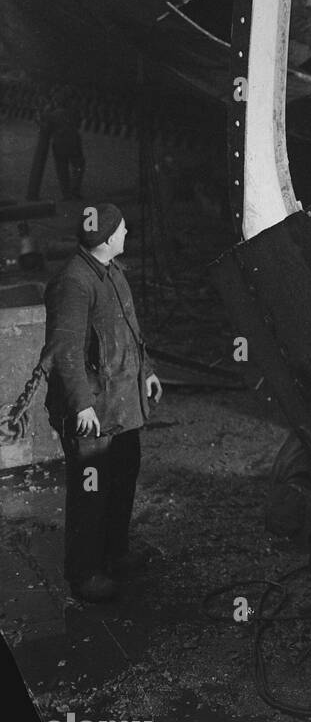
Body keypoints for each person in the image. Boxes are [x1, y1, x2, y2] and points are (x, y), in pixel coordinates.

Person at [42, 204, 162, 602]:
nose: (127, 234)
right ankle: (84, 572)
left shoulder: (112, 272)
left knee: (122, 478)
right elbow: (66, 352)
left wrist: (147, 372)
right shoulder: (73, 284)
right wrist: (81, 405)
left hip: (121, 405)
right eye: (124, 229)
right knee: (91, 491)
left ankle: (115, 554)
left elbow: (131, 330)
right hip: (93, 412)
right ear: (109, 238)